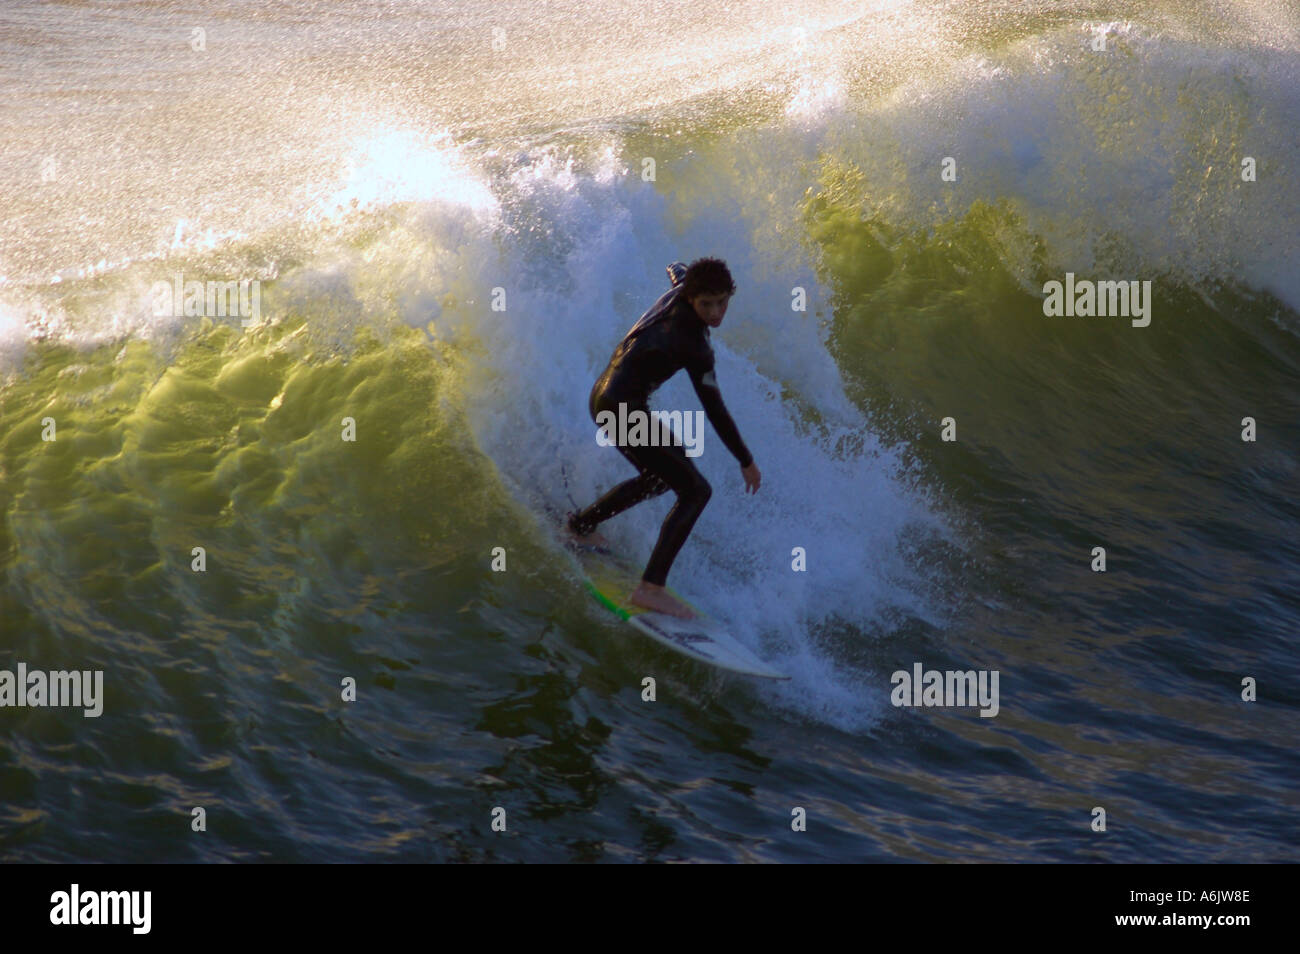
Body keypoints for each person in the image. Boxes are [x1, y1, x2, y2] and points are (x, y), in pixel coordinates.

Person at [566, 257, 761, 619]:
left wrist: (677, 266)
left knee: (661, 476)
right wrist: (745, 459)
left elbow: (678, 272)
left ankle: (581, 525)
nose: (716, 312)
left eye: (722, 302)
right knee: (696, 490)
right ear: (691, 299)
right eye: (707, 304)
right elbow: (714, 409)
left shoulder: (681, 290)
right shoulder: (692, 345)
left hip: (605, 398)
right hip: (621, 409)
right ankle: (650, 588)